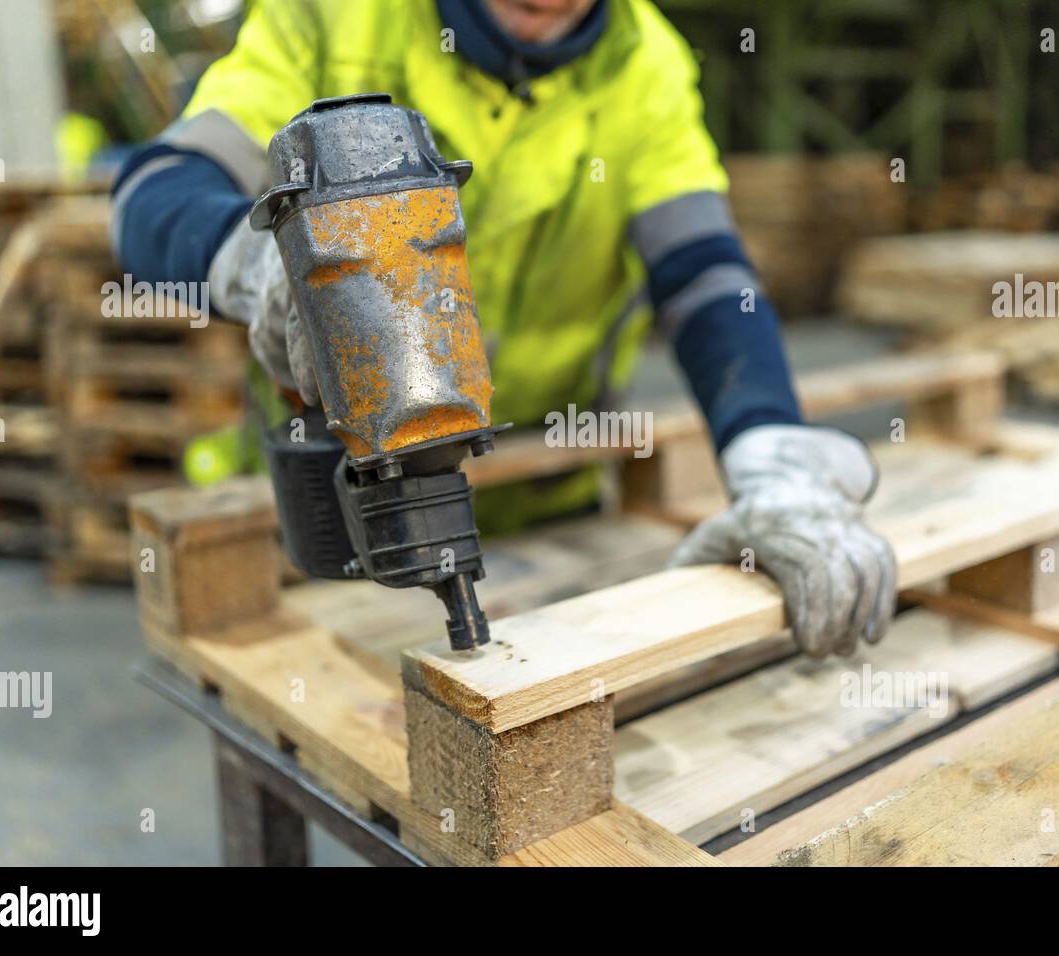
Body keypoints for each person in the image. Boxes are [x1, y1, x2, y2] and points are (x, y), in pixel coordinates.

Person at [110, 0, 896, 658]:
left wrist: (767, 449)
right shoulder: (336, 16)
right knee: (340, 729)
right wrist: (255, 269)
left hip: (554, 500)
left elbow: (703, 277)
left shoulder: (643, 60)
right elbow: (152, 192)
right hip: (330, 507)